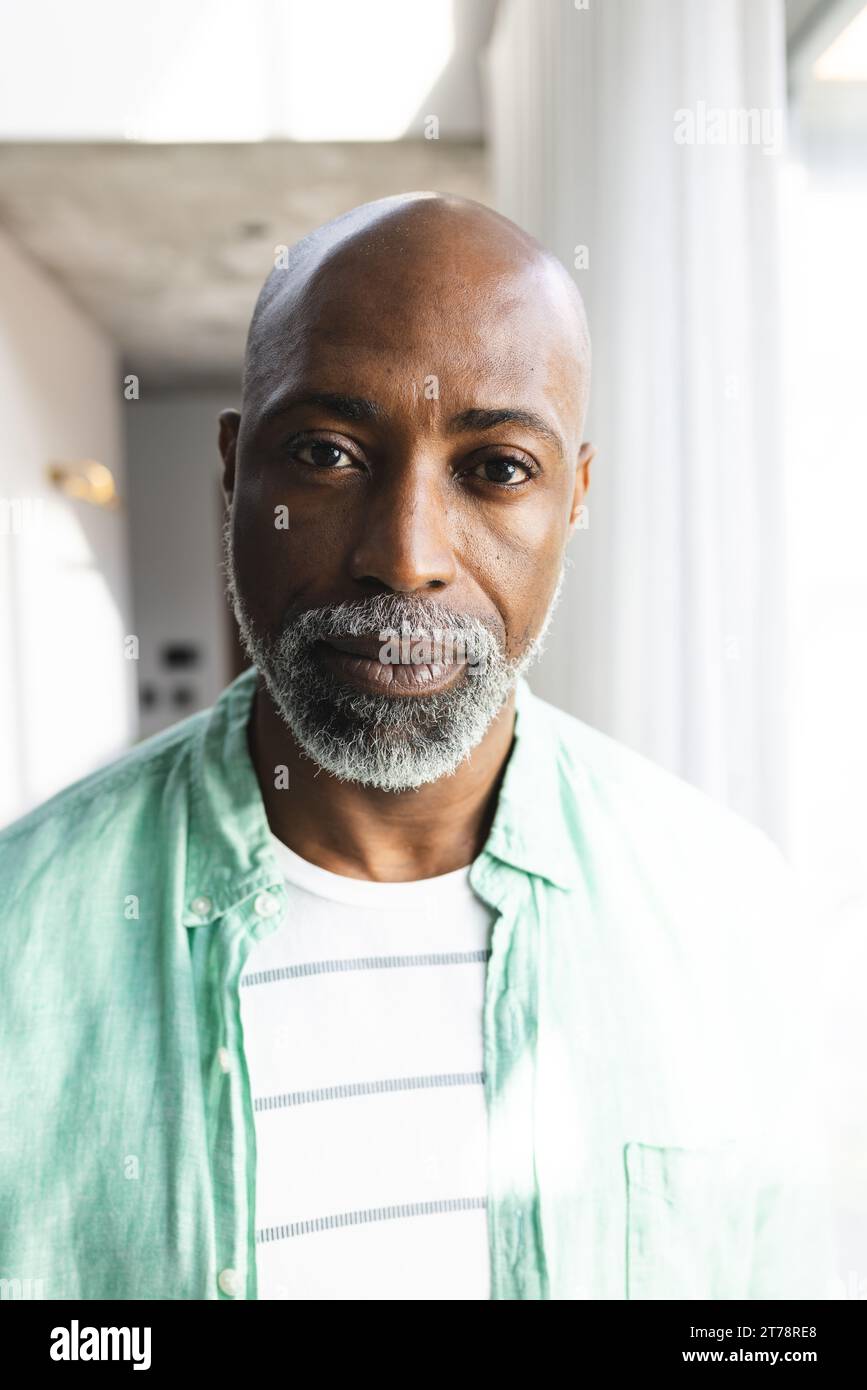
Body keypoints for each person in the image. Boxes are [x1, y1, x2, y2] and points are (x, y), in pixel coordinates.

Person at [0, 192, 833, 1300]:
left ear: (574, 497)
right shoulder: (23, 939)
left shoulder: (730, 919)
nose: (406, 555)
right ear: (236, 469)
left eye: (494, 469)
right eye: (331, 453)